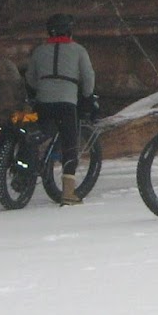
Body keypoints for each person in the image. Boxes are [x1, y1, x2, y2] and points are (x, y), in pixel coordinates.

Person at [23, 12, 96, 205]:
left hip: (43, 102)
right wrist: (88, 97)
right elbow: (88, 78)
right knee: (70, 144)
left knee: (42, 132)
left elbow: (30, 77)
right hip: (66, 103)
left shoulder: (39, 51)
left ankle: (30, 163)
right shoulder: (79, 50)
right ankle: (68, 193)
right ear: (69, 30)